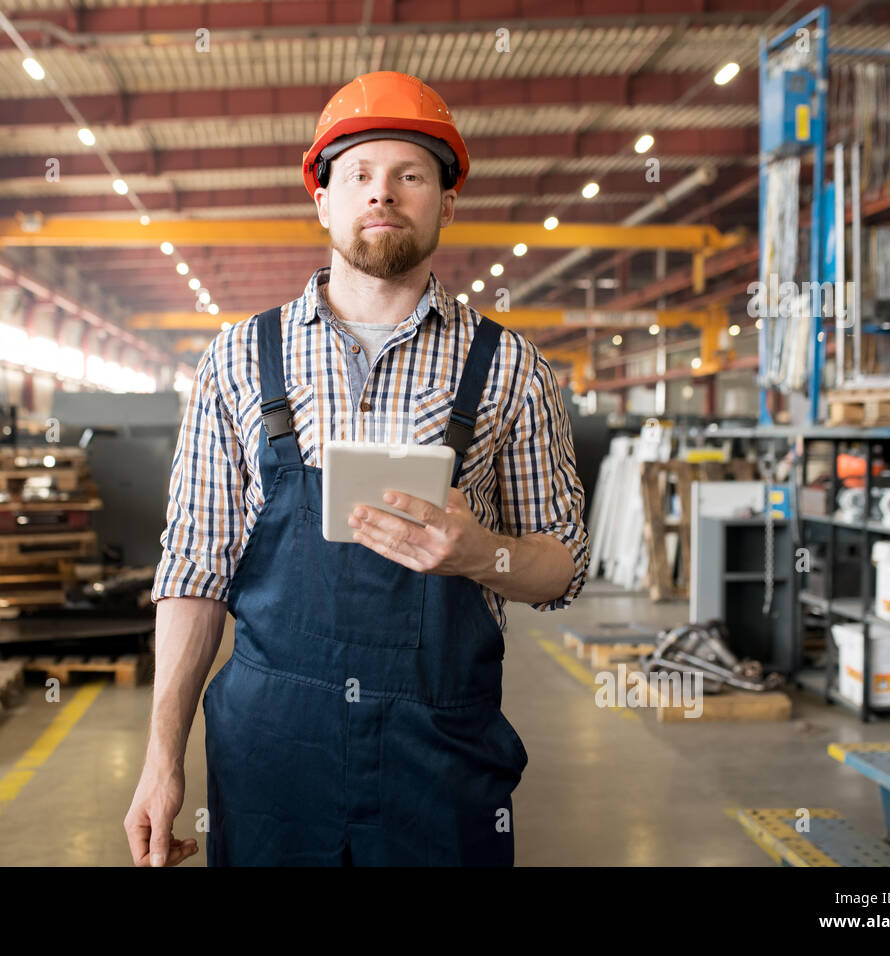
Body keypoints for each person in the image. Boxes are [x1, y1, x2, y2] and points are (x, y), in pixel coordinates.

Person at [124, 71, 589, 867]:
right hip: (271, 758)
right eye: (359, 175)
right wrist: (163, 757)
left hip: (440, 760)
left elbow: (563, 565)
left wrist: (482, 554)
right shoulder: (239, 360)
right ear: (323, 199)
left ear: (447, 202)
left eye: (410, 175)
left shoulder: (510, 368)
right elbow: (195, 572)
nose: (383, 194)